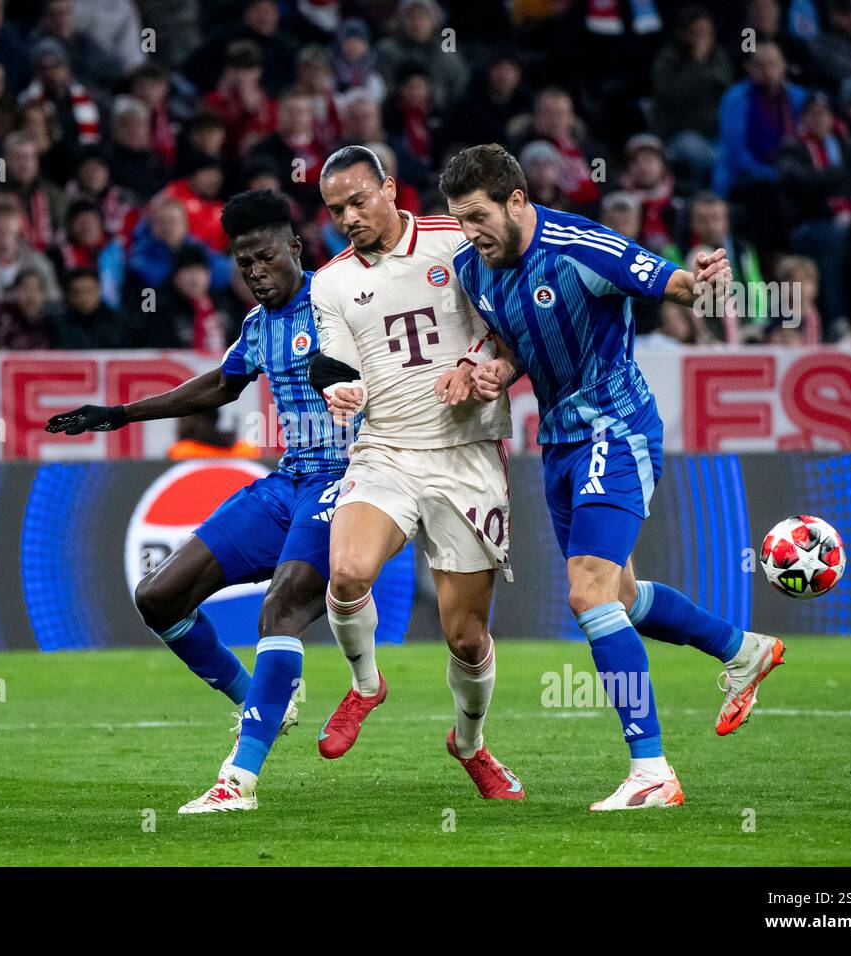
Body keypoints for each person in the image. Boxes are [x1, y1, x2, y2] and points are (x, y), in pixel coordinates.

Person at [439, 144, 787, 811]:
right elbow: (516, 343)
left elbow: (671, 282)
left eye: (478, 216)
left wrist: (703, 276)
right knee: (619, 598)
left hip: (615, 433)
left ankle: (651, 768)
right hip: (561, 444)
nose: (469, 233)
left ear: (517, 201)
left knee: (587, 594)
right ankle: (741, 650)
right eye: (459, 219)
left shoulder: (583, 246)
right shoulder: (472, 268)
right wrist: (492, 372)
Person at [44, 190, 353, 814]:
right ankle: (258, 696)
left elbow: (399, 370)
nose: (256, 272)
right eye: (243, 264)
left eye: (266, 258)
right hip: (290, 482)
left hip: (352, 478)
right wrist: (119, 414)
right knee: (157, 597)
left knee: (281, 606)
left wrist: (353, 384)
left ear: (296, 249)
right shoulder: (260, 326)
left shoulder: (343, 300)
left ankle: (238, 781)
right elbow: (219, 385)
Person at [307, 145, 524, 801]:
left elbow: (510, 322)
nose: (347, 217)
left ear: (390, 190)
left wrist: (480, 365)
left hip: (468, 454)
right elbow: (334, 363)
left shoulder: (454, 242)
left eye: (357, 200)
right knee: (346, 573)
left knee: (466, 635)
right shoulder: (331, 282)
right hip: (387, 451)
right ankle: (367, 683)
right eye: (335, 209)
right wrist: (337, 392)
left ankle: (470, 743)